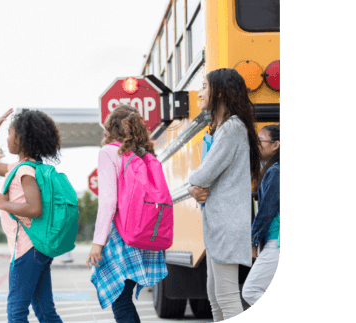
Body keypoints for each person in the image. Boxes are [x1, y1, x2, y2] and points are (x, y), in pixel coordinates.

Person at [187, 68, 263, 321]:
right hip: (221, 224)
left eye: (205, 86)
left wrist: (192, 184)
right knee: (216, 295)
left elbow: (203, 174)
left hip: (227, 224)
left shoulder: (232, 128)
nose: (200, 92)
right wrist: (196, 187)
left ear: (220, 91)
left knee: (227, 297)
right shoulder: (225, 128)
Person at [87, 105, 168, 323]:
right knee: (124, 299)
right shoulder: (143, 154)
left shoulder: (108, 152)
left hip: (122, 235)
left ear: (111, 129)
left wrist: (98, 243)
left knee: (120, 300)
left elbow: (108, 202)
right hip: (145, 233)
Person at [0, 108, 64, 323]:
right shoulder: (23, 167)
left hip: (27, 249)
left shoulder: (24, 172)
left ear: (20, 139)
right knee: (44, 310)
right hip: (36, 248)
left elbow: (34, 208)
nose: (7, 138)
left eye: (9, 133)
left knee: (16, 311)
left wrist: (4, 204)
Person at [243, 124, 280, 306]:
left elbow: (267, 209)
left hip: (276, 241)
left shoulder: (275, 171)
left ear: (276, 145)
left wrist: (253, 239)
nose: (256, 146)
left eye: (260, 141)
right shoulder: (272, 170)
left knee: (251, 290)